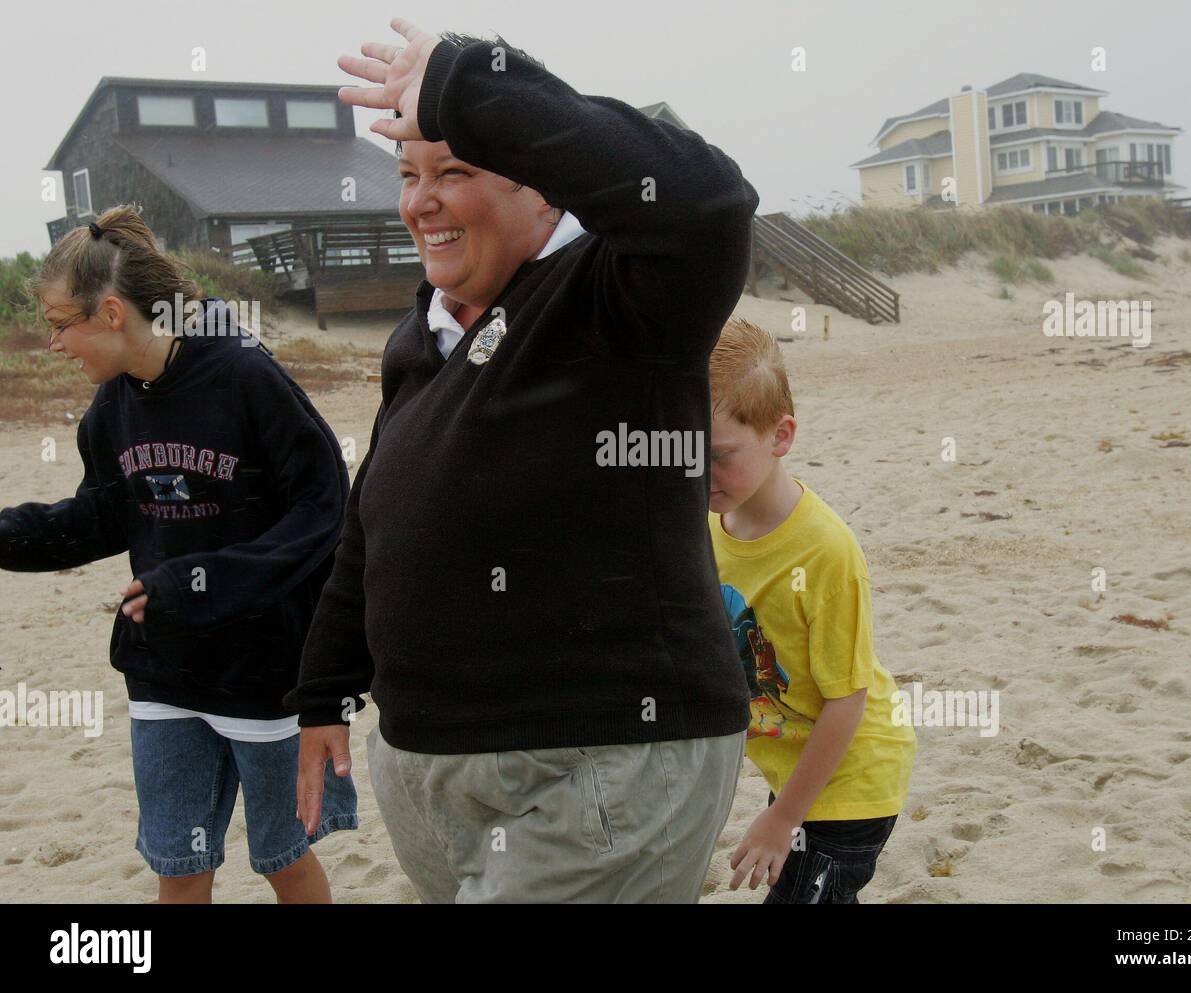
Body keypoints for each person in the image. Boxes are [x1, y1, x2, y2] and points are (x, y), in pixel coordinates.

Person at [287, 20, 758, 903]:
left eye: (455, 172)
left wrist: (470, 85)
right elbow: (375, 520)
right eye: (408, 175)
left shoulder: (619, 298)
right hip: (431, 768)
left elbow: (709, 204)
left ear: (549, 193)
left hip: (598, 758)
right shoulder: (419, 336)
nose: (420, 202)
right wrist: (325, 691)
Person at [0, 204, 357, 903]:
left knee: (282, 857)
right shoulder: (114, 404)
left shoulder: (245, 376)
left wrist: (203, 581)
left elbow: (324, 508)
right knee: (180, 865)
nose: (53, 345)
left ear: (109, 312)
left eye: (59, 325)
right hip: (163, 670)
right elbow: (102, 515)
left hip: (264, 673)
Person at [707, 318, 916, 903]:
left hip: (853, 776)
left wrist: (782, 820)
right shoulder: (707, 523)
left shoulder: (826, 552)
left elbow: (848, 700)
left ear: (781, 435)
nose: (699, 472)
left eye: (719, 455)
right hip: (795, 769)